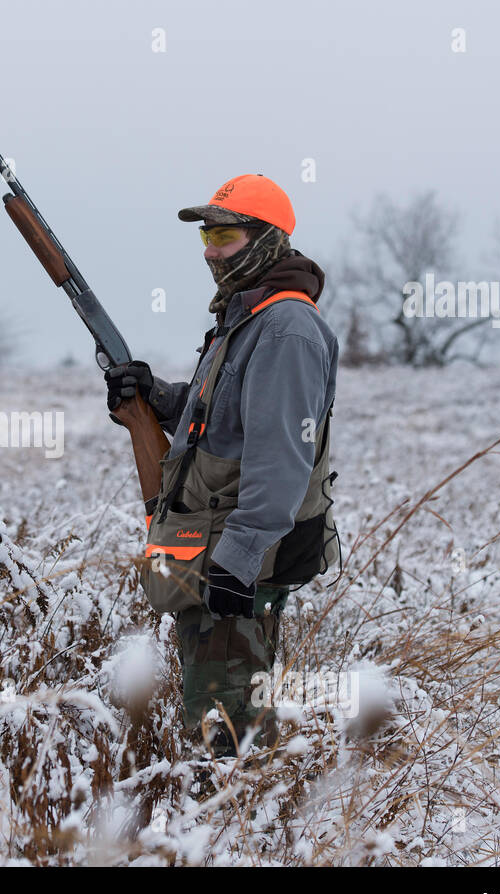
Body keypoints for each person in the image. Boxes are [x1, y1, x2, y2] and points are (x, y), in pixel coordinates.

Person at [106, 174, 340, 758]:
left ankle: (235, 831)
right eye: (206, 236)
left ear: (266, 239)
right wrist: (155, 396)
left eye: (226, 235)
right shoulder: (250, 316)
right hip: (213, 548)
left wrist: (236, 565)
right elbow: (223, 416)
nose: (211, 250)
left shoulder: (287, 328)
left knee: (228, 730)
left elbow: (281, 455)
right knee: (221, 715)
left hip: (236, 561)